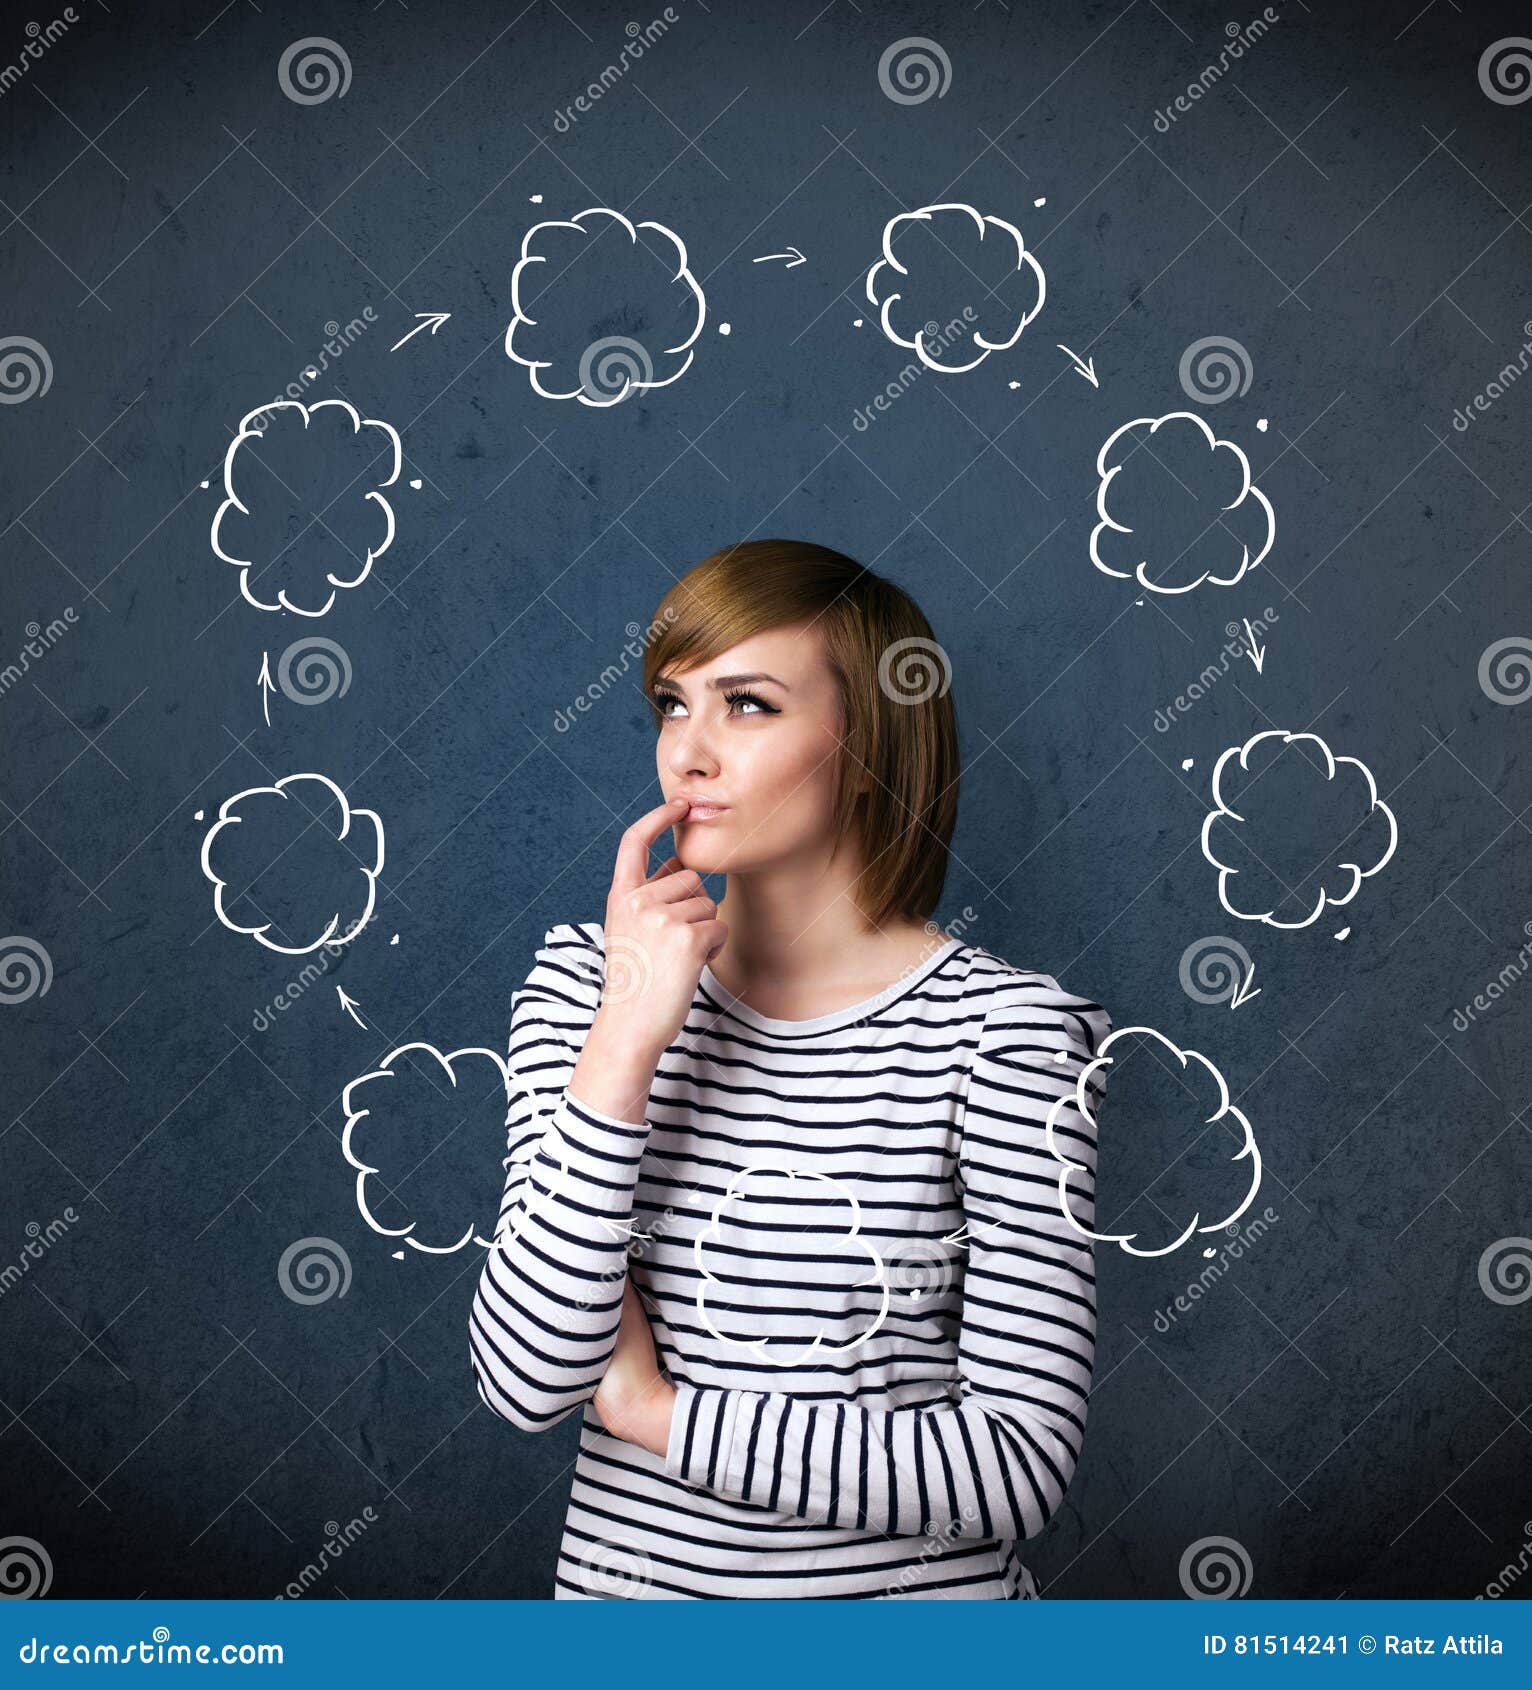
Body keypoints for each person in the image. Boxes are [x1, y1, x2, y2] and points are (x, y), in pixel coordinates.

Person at [468, 538, 1111, 1598]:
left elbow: (1013, 1468)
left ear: (869, 738)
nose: (688, 753)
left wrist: (653, 1414)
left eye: (748, 704)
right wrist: (625, 1042)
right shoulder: (584, 987)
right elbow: (528, 1379)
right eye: (672, 705)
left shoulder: (1008, 1035)